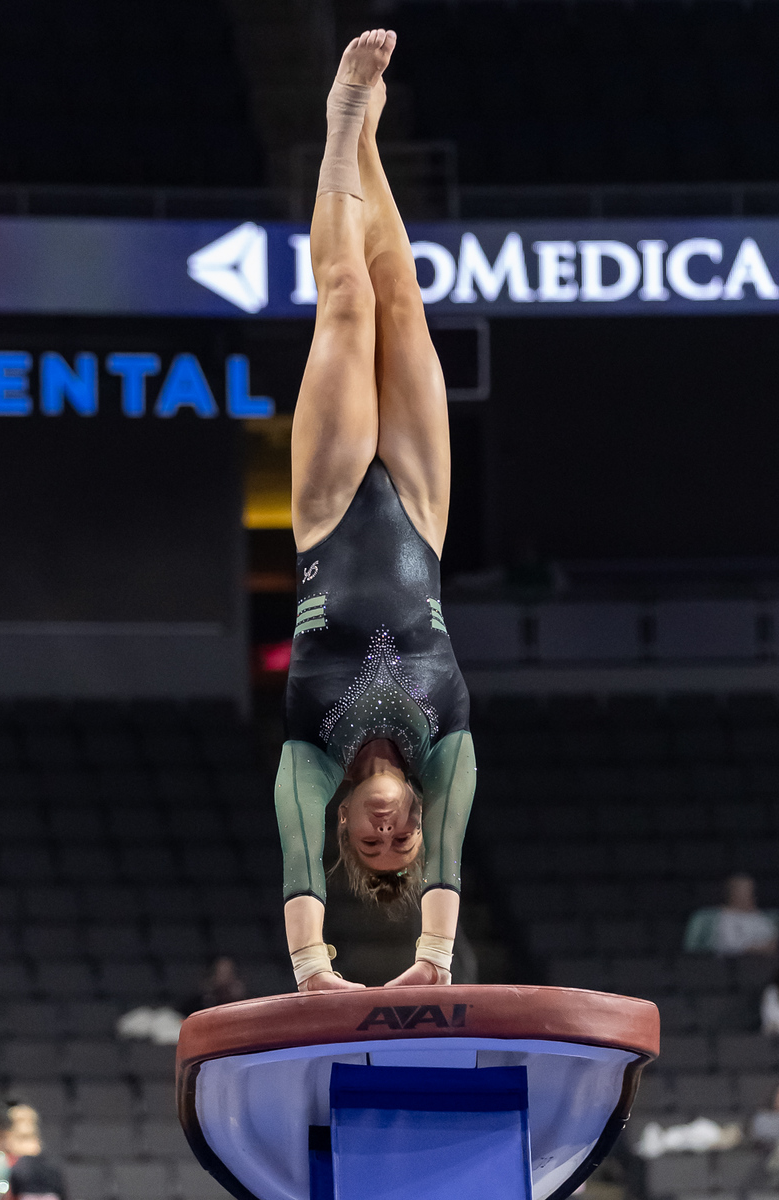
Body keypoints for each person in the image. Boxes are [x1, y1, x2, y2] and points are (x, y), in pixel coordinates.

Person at [273, 30, 476, 993]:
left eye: (373, 841)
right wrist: (433, 955)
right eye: (404, 841)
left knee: (346, 301)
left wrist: (314, 967)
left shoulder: (312, 748)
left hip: (323, 510)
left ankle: (343, 123)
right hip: (421, 514)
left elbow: (293, 857)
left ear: (347, 825)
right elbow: (454, 853)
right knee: (404, 301)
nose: (389, 831)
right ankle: (368, 140)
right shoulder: (447, 746)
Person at [683, 874, 779, 955]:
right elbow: (694, 949)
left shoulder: (768, 917)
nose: (747, 894)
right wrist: (749, 949)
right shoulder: (708, 917)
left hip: (760, 966)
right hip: (722, 967)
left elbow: (775, 945)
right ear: (731, 892)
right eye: (741, 889)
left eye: (749, 889)